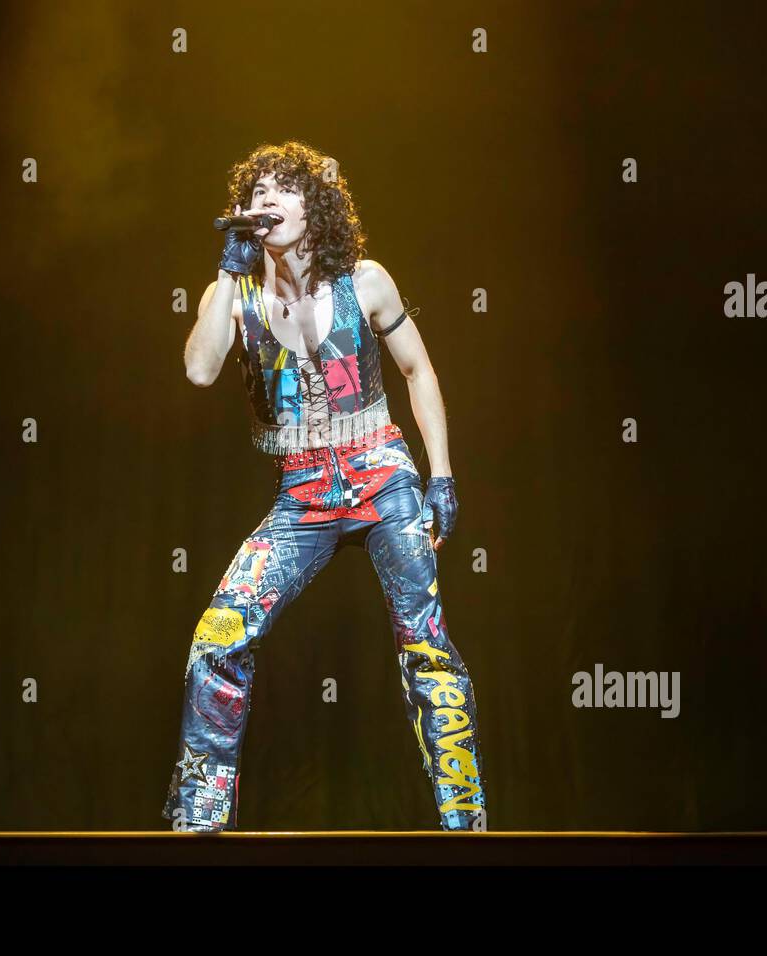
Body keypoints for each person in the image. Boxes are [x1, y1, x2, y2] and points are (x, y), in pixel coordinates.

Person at [162, 141, 486, 832]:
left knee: (425, 643)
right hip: (301, 494)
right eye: (257, 191)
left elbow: (417, 371)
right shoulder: (232, 294)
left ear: (317, 205)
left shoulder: (364, 280)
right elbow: (198, 369)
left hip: (382, 472)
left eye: (285, 187)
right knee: (216, 638)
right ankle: (198, 826)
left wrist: (443, 475)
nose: (267, 199)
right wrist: (225, 275)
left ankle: (467, 827)